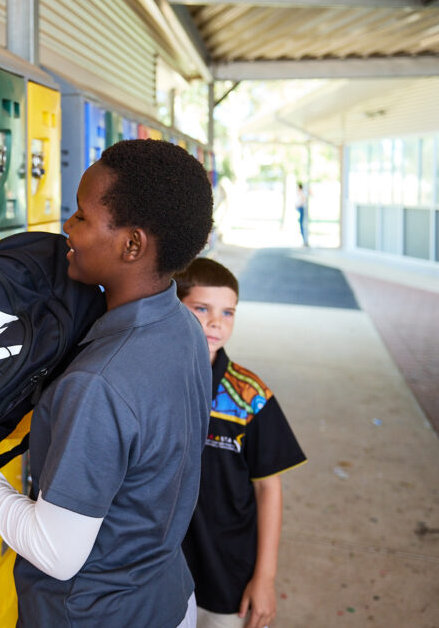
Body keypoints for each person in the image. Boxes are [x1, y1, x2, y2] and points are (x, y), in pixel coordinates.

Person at [0, 139, 215, 627]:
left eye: (82, 216)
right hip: (166, 601)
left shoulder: (98, 384)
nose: (67, 226)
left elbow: (56, 552)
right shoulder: (183, 327)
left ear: (132, 245)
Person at [174, 257, 307, 628]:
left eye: (228, 312)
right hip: (160, 568)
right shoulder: (151, 382)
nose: (216, 322)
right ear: (174, 305)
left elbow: (268, 487)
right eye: (202, 309)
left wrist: (265, 577)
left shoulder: (250, 397)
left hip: (227, 574)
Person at [295, 183, 309, 247]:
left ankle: (304, 241)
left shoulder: (302, 193)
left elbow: (303, 200)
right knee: (300, 225)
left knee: (302, 225)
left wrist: (299, 205)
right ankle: (304, 241)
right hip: (299, 209)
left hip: (301, 209)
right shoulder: (299, 193)